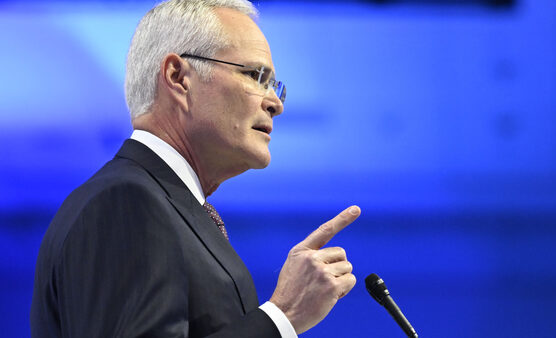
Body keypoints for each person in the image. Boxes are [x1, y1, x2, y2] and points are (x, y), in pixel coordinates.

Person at [30, 0, 361, 337]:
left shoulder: (161, 205)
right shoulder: (126, 202)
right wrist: (282, 316)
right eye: (255, 75)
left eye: (275, 86)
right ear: (178, 78)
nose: (275, 103)